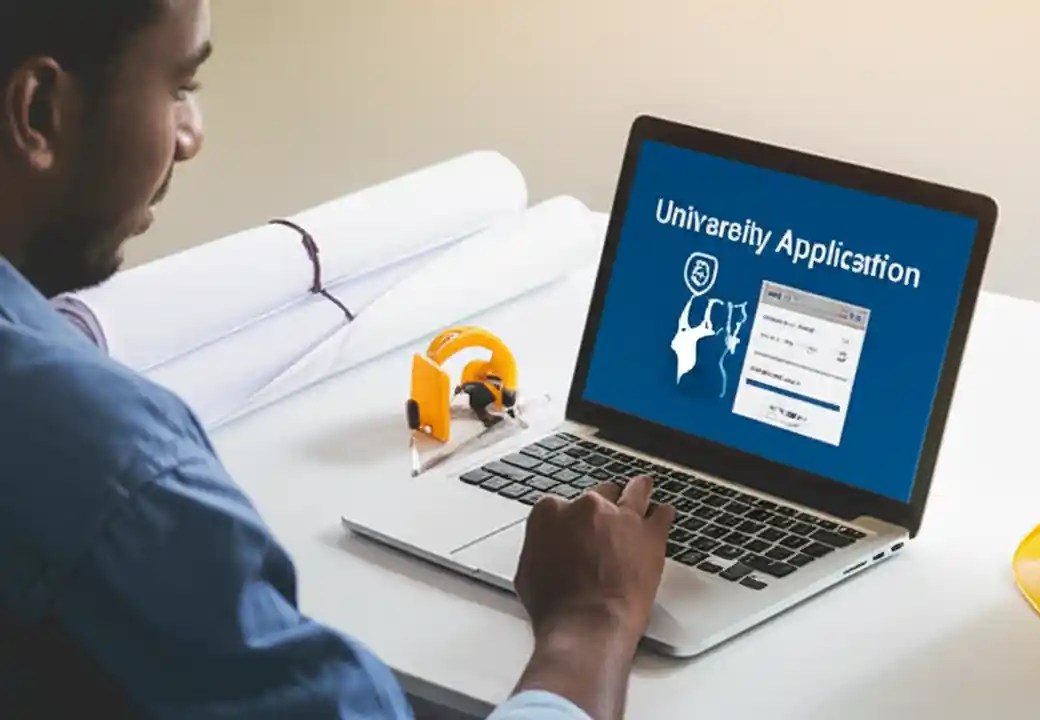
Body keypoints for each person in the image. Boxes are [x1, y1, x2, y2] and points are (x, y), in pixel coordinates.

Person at [0, 2, 675, 718]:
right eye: (178, 88)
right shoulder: (112, 474)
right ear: (39, 113)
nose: (192, 135)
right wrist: (591, 623)